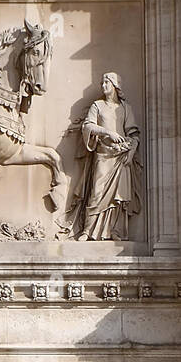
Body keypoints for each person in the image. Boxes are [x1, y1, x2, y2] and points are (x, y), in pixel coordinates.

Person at [67, 72, 142, 242]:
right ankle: (87, 230)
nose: (103, 86)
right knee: (97, 191)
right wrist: (108, 132)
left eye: (107, 82)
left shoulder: (125, 108)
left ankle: (115, 231)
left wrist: (131, 151)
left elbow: (134, 134)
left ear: (116, 85)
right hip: (103, 154)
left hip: (120, 156)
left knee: (119, 196)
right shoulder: (97, 106)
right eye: (102, 83)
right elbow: (88, 126)